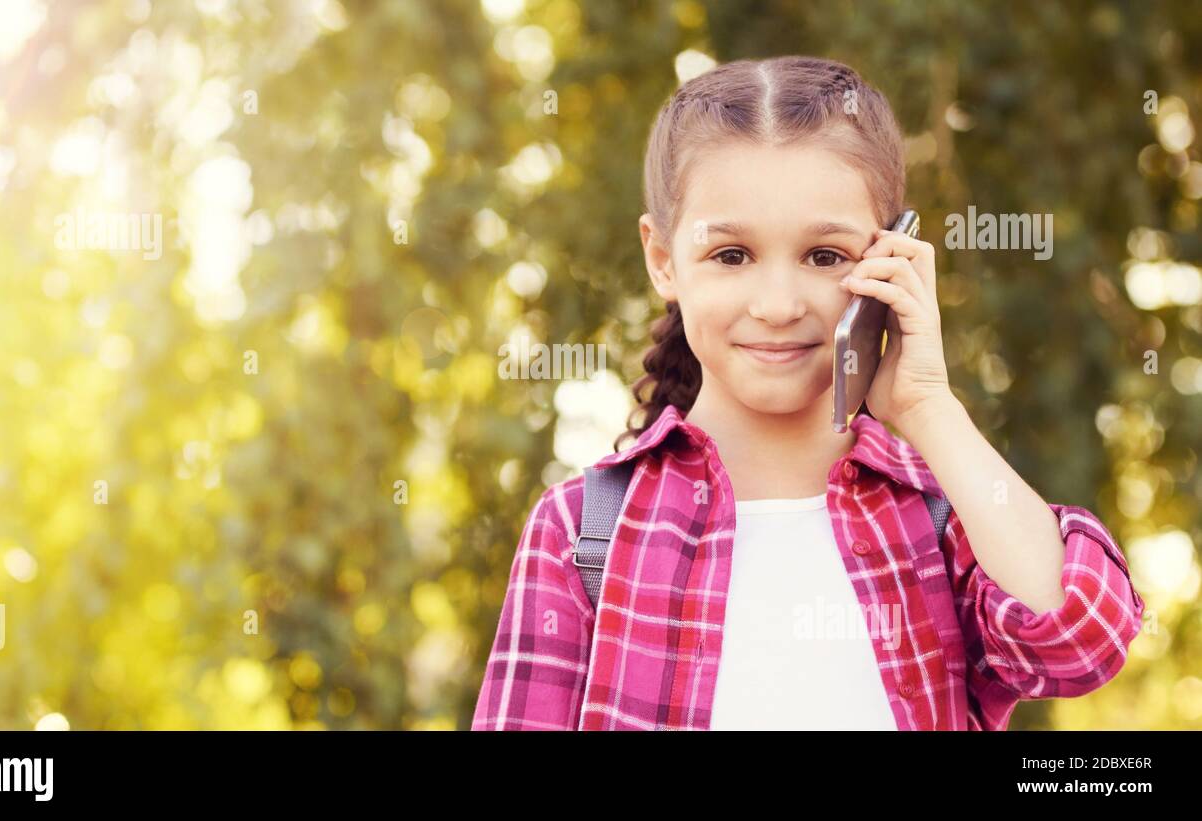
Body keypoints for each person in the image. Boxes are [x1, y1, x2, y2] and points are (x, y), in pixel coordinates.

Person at [472, 55, 1144, 731]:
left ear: (892, 258)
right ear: (662, 260)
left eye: (825, 256)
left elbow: (1081, 634)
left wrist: (930, 408)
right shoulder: (581, 533)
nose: (777, 304)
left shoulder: (942, 521)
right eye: (731, 254)